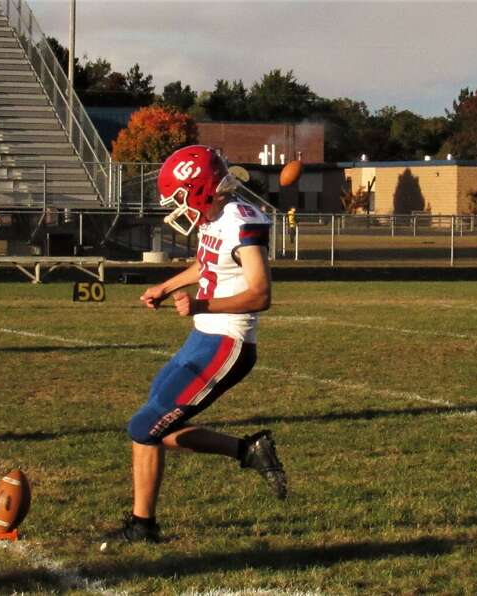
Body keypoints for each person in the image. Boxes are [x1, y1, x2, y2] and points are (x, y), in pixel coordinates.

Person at [111, 145, 286, 543]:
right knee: (154, 421)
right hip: (203, 335)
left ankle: (142, 526)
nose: (178, 207)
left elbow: (260, 294)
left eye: (179, 196)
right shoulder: (215, 218)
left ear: (201, 189)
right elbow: (207, 264)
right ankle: (248, 450)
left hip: (228, 342)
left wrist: (201, 304)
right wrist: (166, 286)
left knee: (145, 427)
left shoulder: (242, 222)